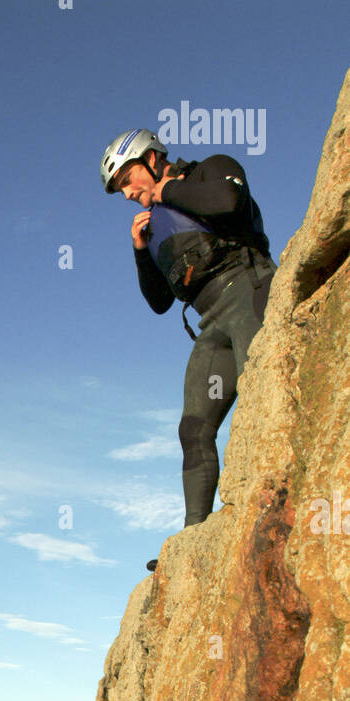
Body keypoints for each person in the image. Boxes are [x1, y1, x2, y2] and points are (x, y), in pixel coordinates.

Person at [100, 129, 277, 571]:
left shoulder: (209, 170)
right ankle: (194, 539)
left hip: (250, 290)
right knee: (193, 429)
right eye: (120, 187)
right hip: (211, 324)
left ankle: (276, 495)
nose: (126, 193)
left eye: (126, 179)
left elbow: (230, 204)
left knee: (263, 396)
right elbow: (160, 302)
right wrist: (141, 251)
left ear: (152, 159)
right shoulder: (155, 224)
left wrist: (169, 190)